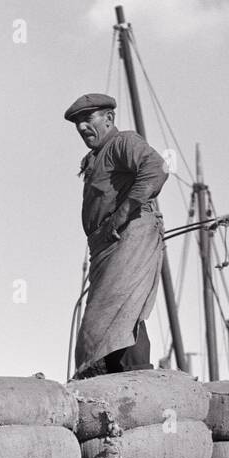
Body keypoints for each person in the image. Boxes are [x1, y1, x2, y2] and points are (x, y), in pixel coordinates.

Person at [65, 93, 169, 378]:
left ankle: (135, 380)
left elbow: (157, 169)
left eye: (87, 119)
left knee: (115, 314)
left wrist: (122, 215)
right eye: (77, 124)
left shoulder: (123, 142)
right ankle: (114, 381)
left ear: (109, 118)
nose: (82, 128)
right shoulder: (95, 157)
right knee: (109, 319)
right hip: (105, 247)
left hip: (129, 236)